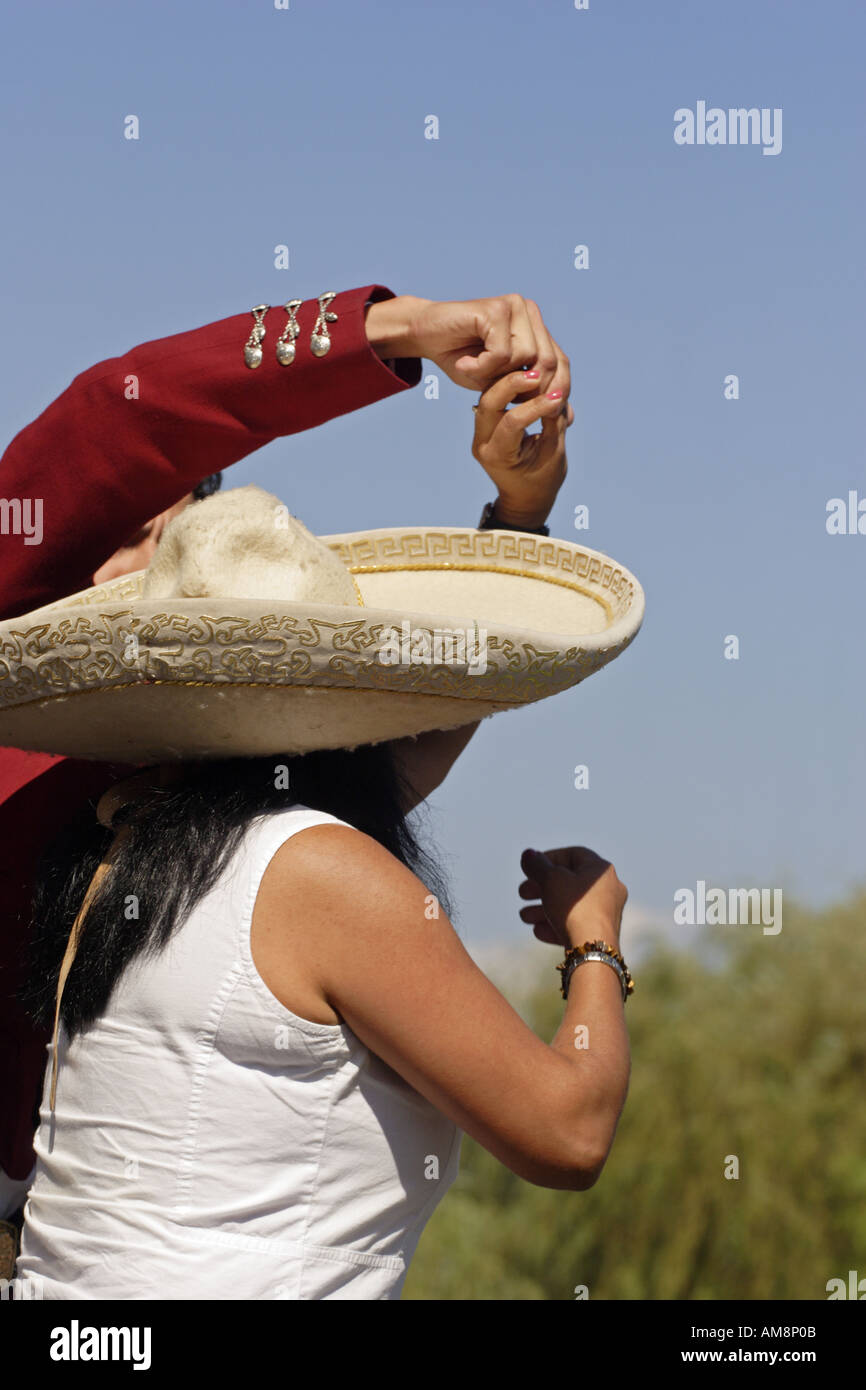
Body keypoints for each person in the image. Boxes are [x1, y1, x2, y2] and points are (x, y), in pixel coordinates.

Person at [2, 288, 637, 1299]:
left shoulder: (117, 838)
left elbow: (416, 725)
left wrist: (519, 512)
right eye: (129, 533)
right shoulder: (311, 869)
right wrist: (597, 946)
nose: (141, 561)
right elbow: (567, 1131)